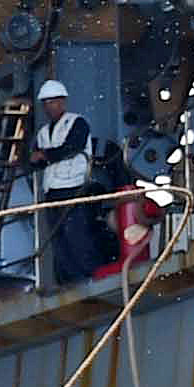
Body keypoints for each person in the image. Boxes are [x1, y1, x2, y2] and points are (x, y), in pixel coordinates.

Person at [32, 76, 116, 282]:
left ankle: (90, 276)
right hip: (52, 190)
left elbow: (72, 147)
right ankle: (68, 280)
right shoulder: (43, 132)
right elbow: (36, 159)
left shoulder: (77, 122)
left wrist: (46, 155)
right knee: (58, 237)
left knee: (77, 234)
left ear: (62, 102)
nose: (49, 107)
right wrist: (39, 158)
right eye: (46, 103)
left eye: (53, 102)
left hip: (73, 187)